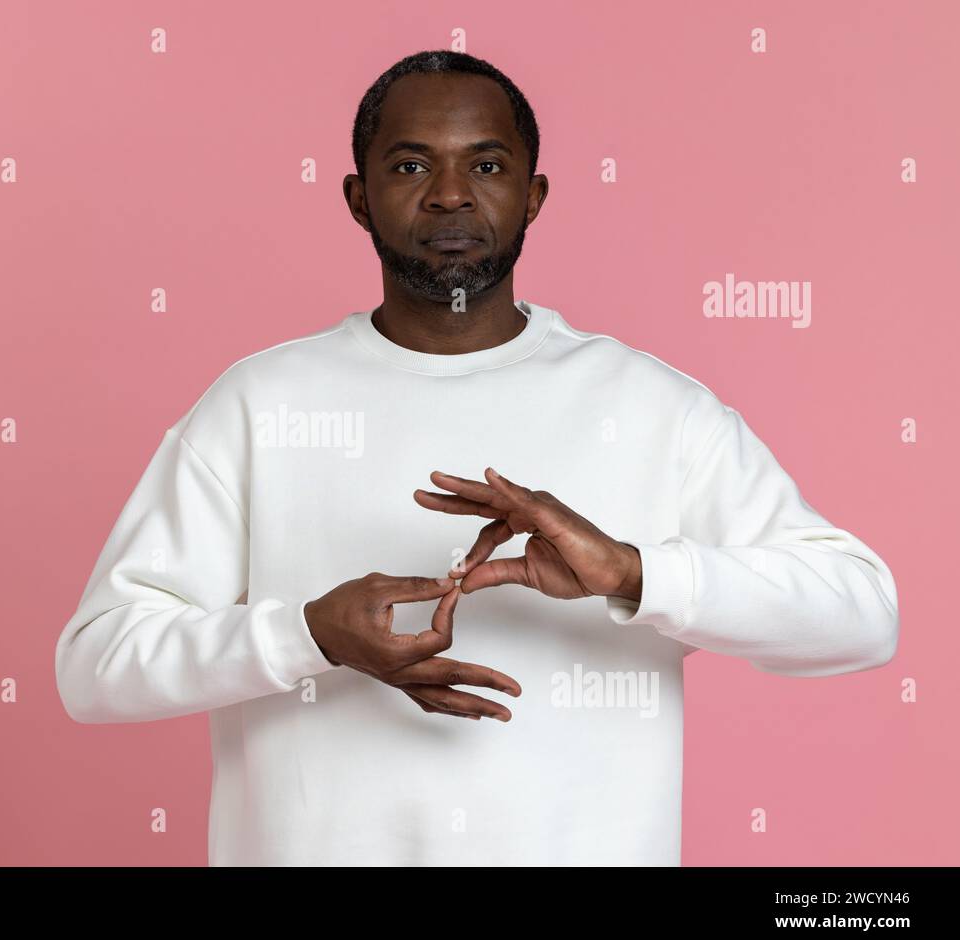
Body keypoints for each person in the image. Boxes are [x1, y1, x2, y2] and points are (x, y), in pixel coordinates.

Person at [54, 49, 899, 865]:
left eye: (487, 167)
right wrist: (307, 636)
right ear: (358, 198)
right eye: (412, 166)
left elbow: (863, 616)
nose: (451, 195)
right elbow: (95, 670)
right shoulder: (256, 404)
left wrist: (634, 574)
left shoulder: (652, 407)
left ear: (533, 197)